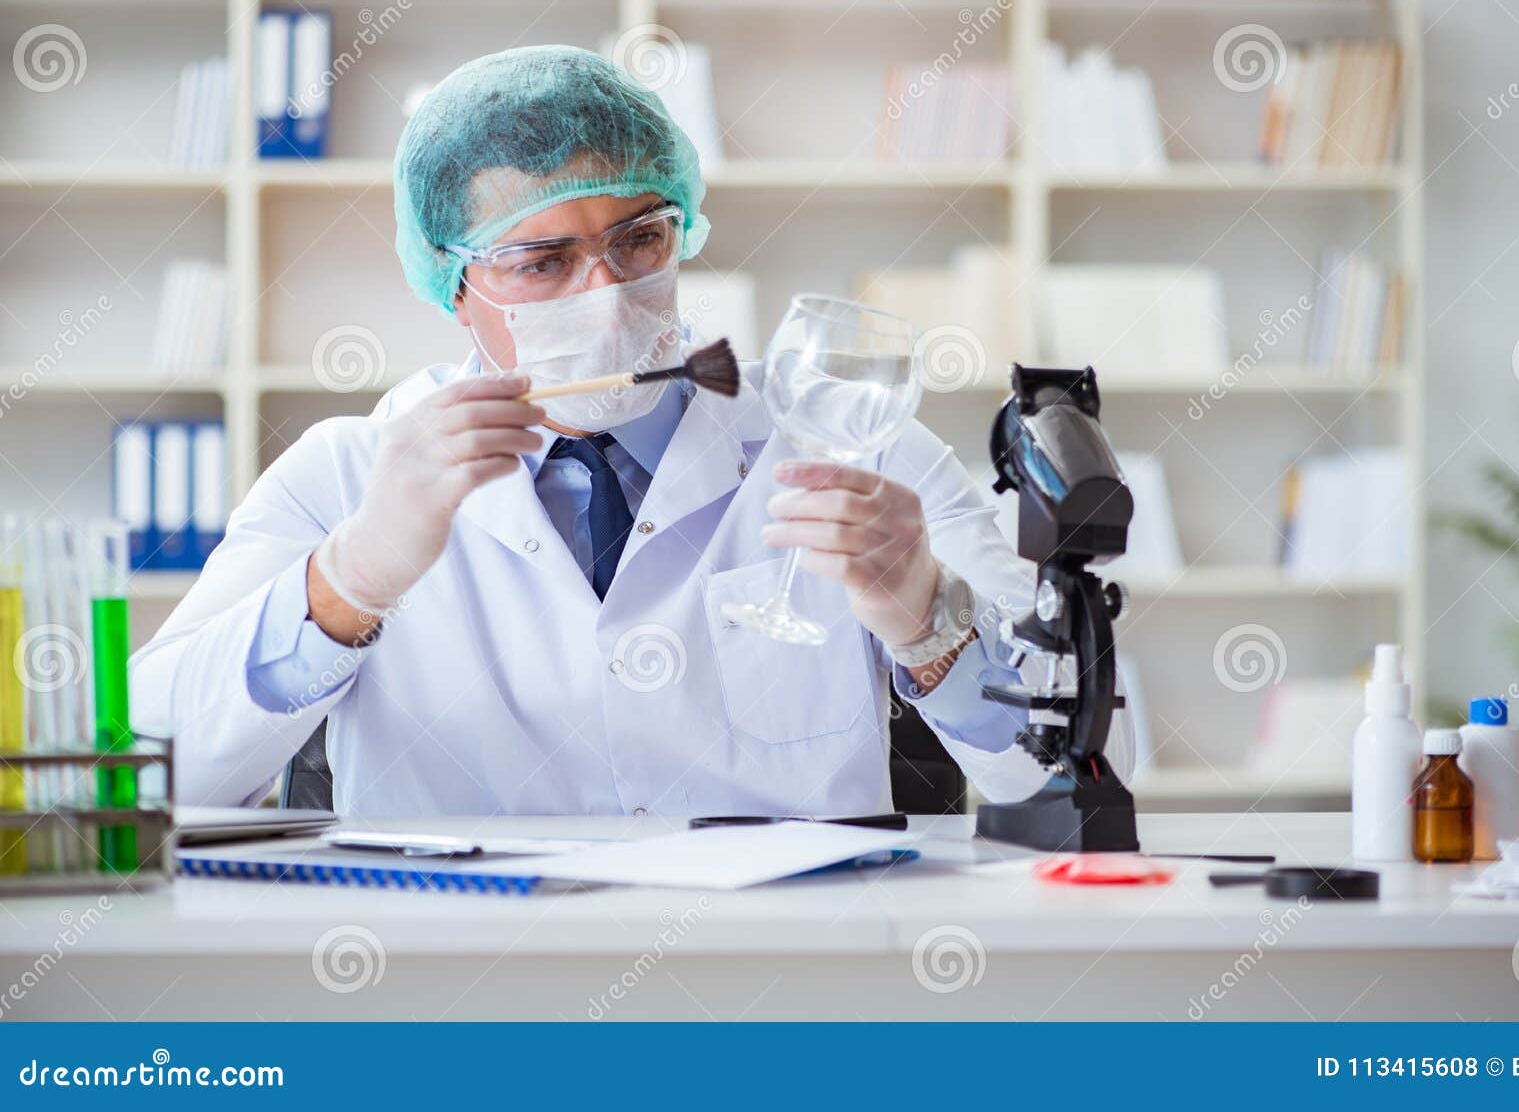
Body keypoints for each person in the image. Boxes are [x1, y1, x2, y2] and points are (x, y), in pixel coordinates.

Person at [130, 46, 1056, 815]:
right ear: (454, 286)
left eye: (639, 239)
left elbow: (1077, 775)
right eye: (542, 261)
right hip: (456, 976)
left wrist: (934, 627)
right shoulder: (344, 474)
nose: (606, 293)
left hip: (779, 968)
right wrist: (347, 584)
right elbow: (146, 778)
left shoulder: (855, 447)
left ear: (682, 229)